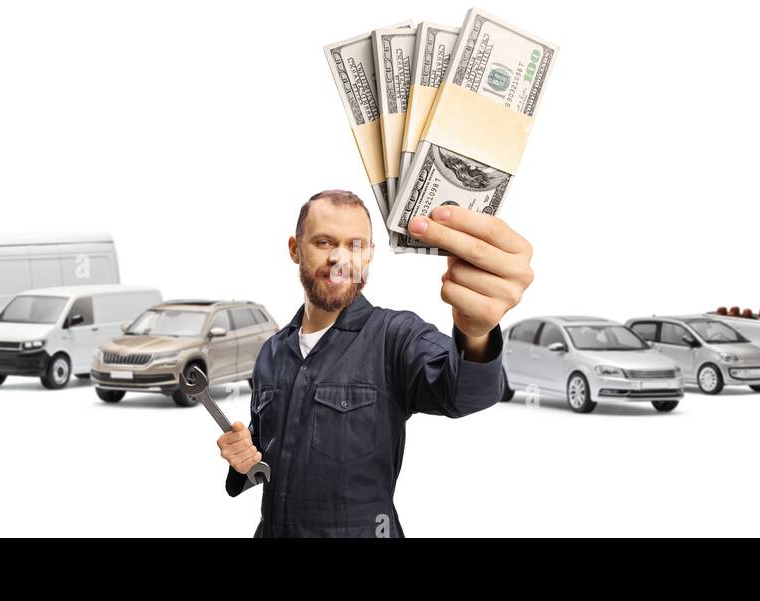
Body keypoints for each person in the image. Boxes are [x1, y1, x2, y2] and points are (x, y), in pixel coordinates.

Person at [216, 189, 534, 537]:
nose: (340, 258)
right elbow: (264, 454)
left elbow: (463, 394)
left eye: (355, 245)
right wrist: (242, 461)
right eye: (324, 242)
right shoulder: (271, 351)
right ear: (295, 248)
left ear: (369, 254)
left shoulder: (394, 337)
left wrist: (476, 333)